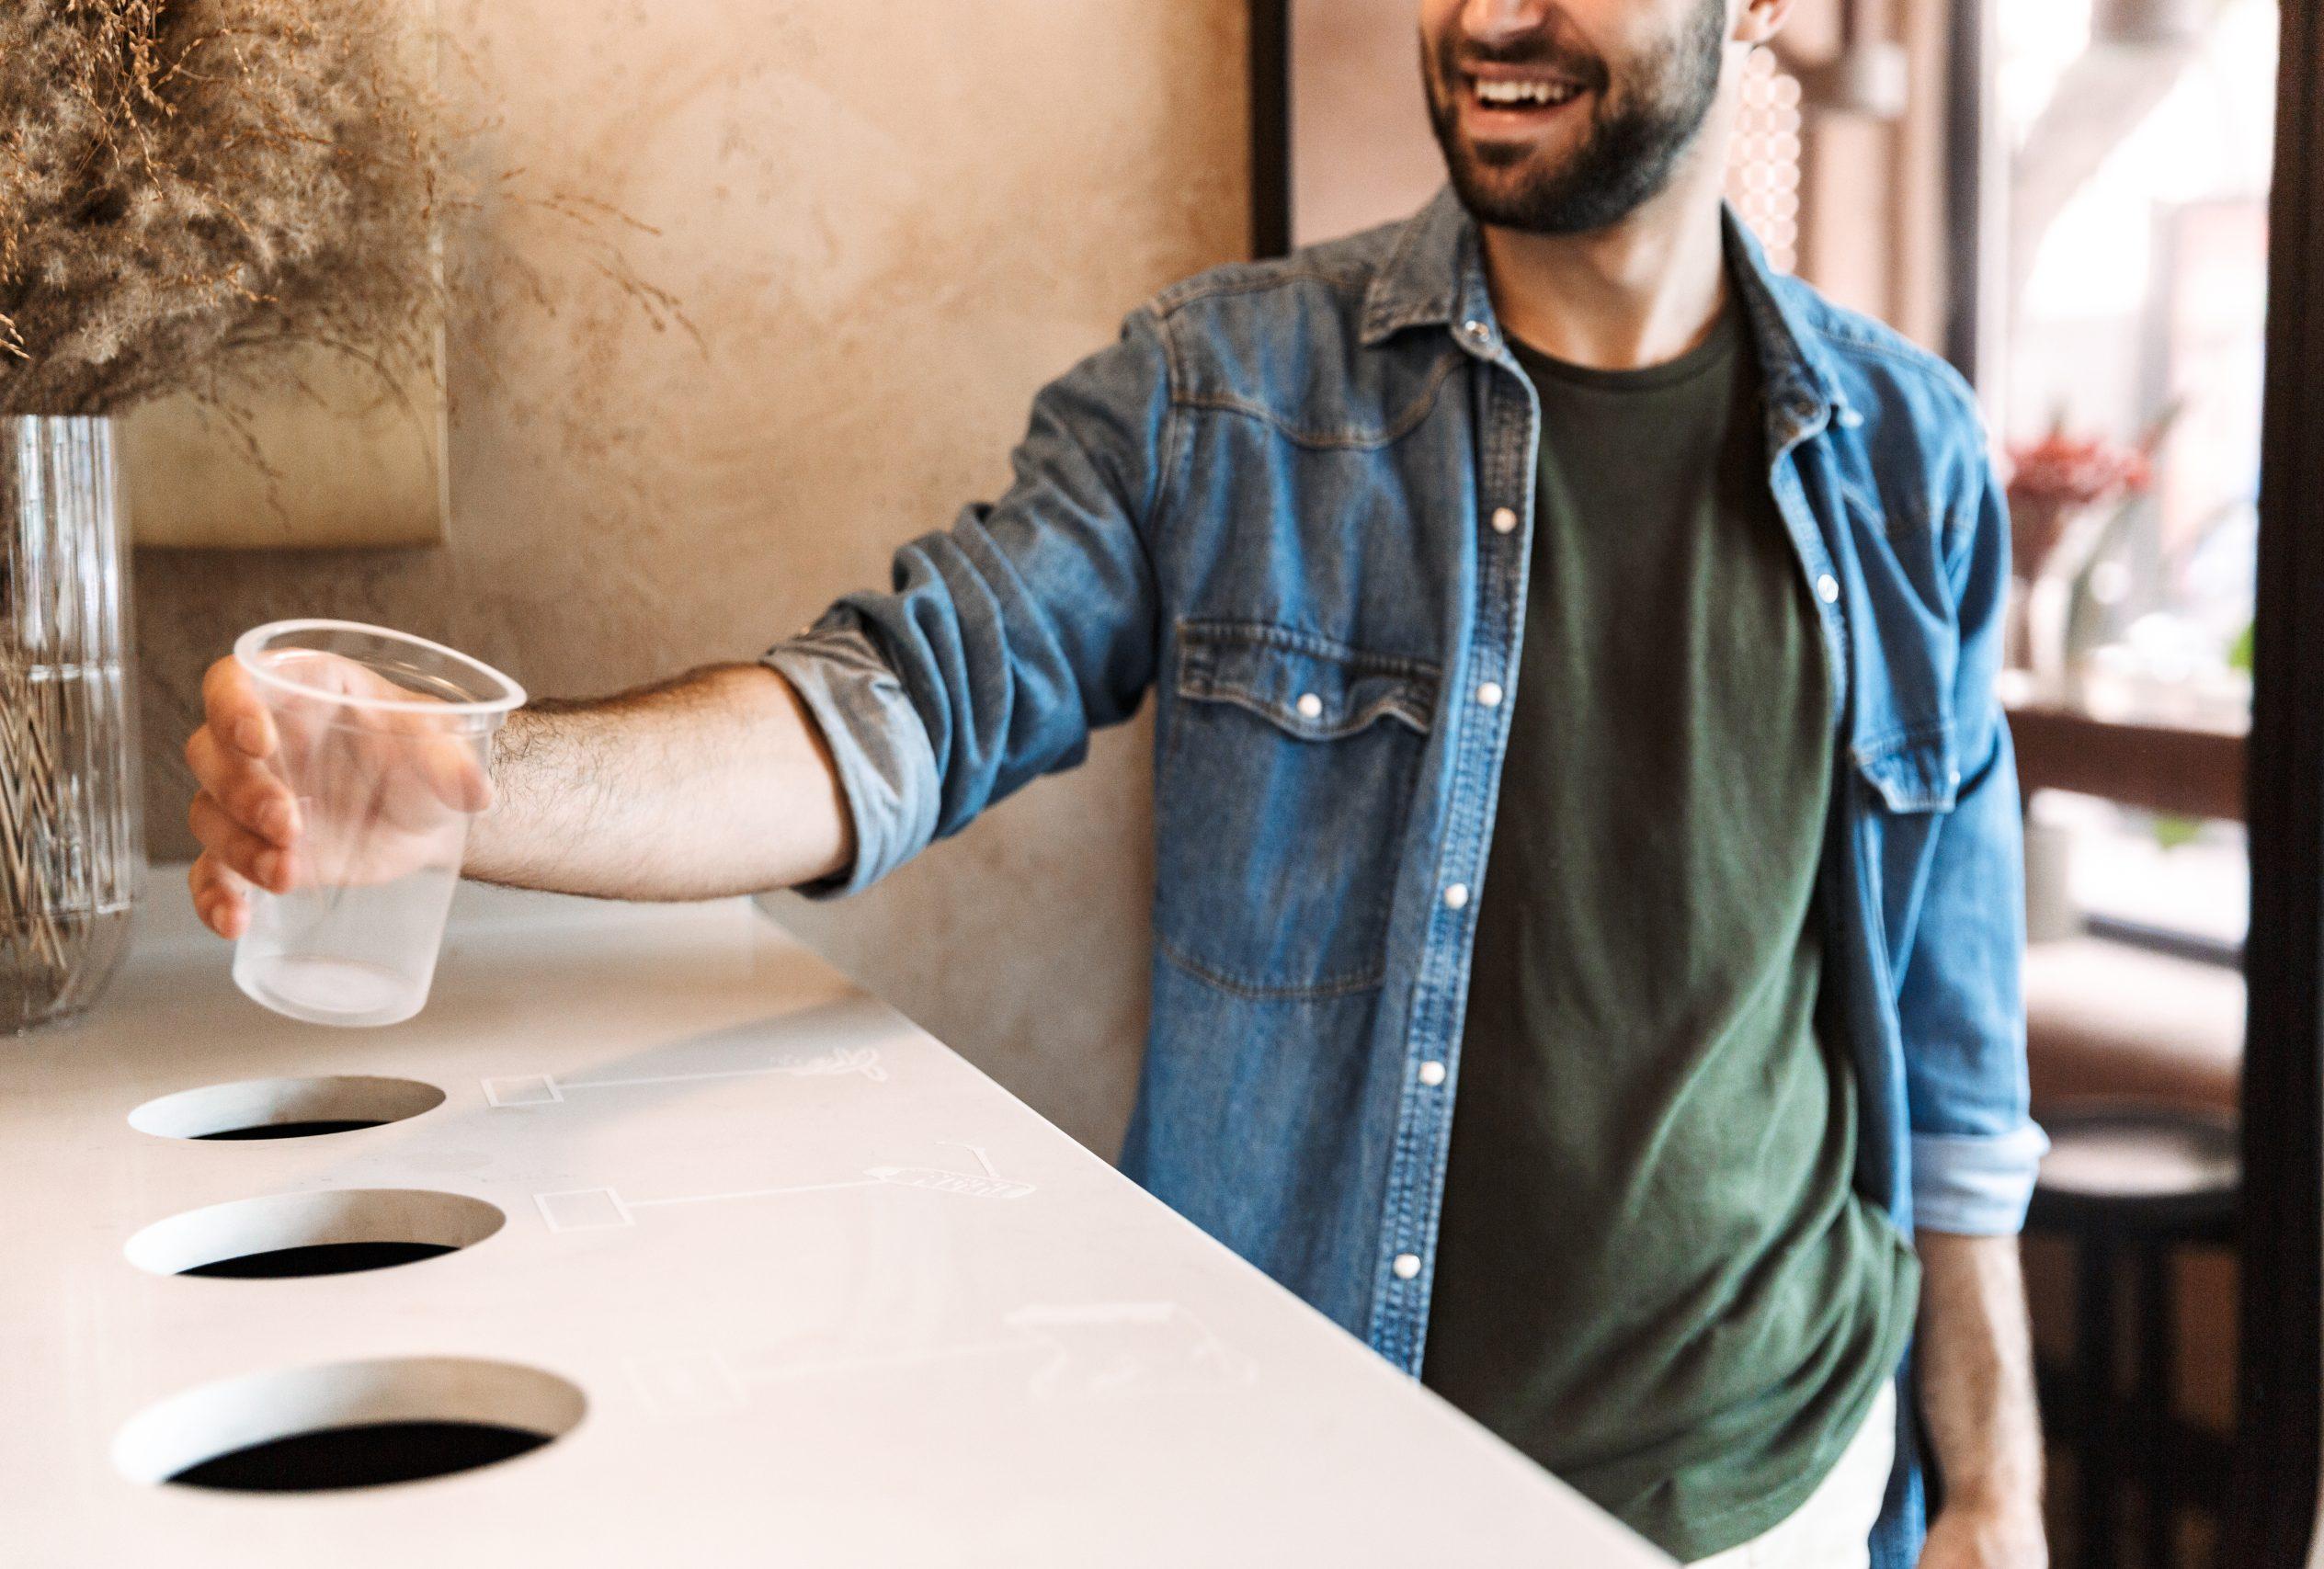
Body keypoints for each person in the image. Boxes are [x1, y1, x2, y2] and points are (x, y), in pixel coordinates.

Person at [182, 2, 2048, 1563]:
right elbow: (898, 702)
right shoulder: (1225, 392)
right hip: (1328, 1482)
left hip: (1790, 1491)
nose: (1485, 16)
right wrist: (468, 785)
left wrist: (1996, 1486)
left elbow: (1947, 1062)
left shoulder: (1908, 459)